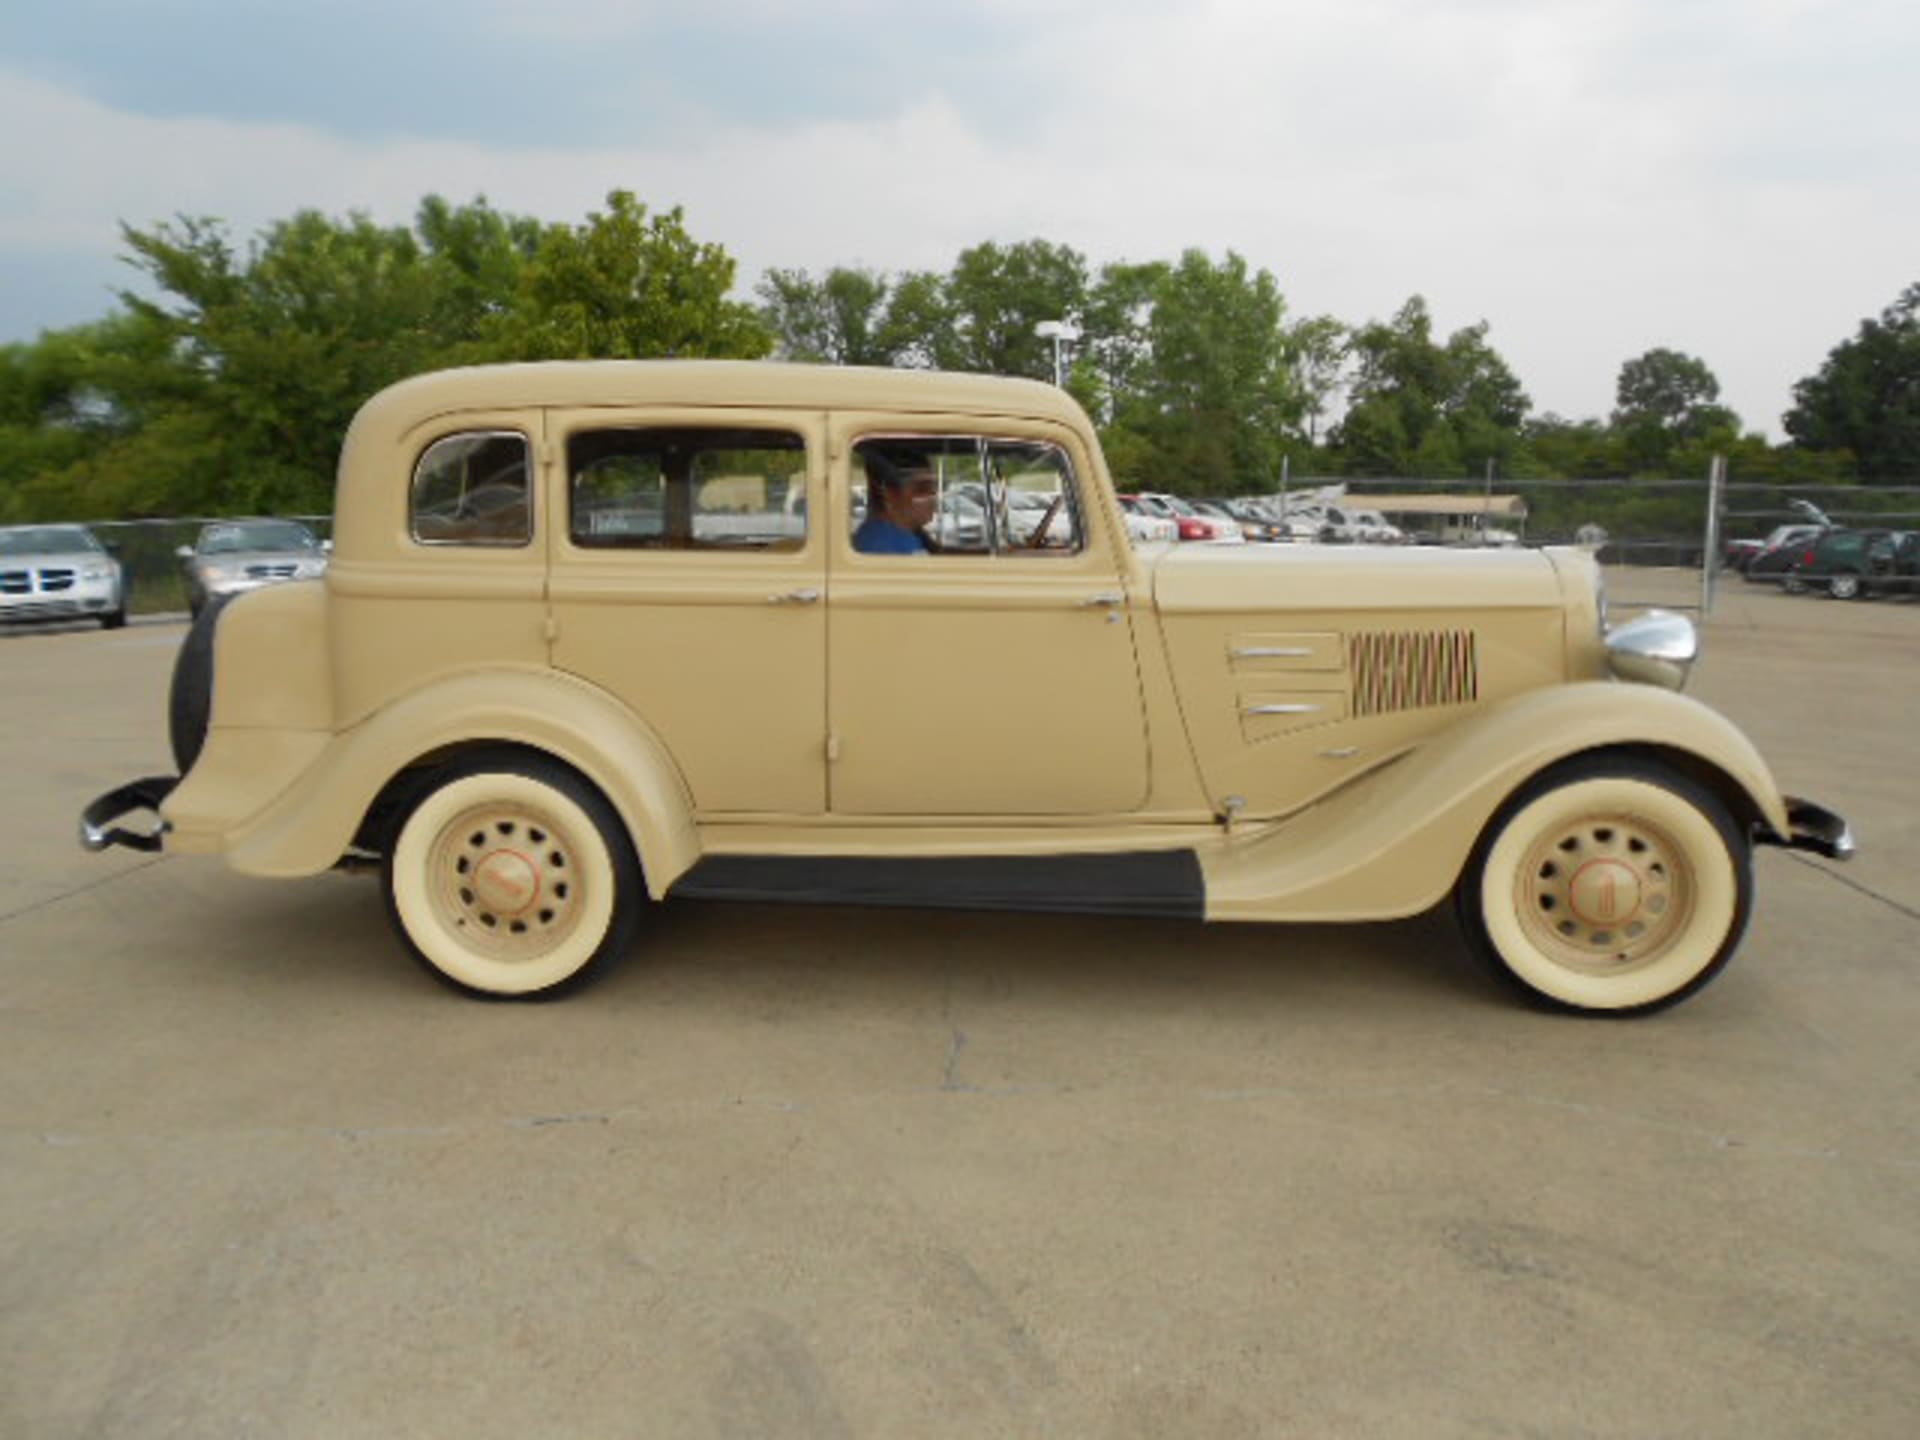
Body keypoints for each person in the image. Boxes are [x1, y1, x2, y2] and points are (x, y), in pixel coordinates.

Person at [853, 456, 938, 554]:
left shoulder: (906, 534)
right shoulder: (882, 545)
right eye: (921, 489)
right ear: (890, 494)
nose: (932, 498)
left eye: (933, 489)